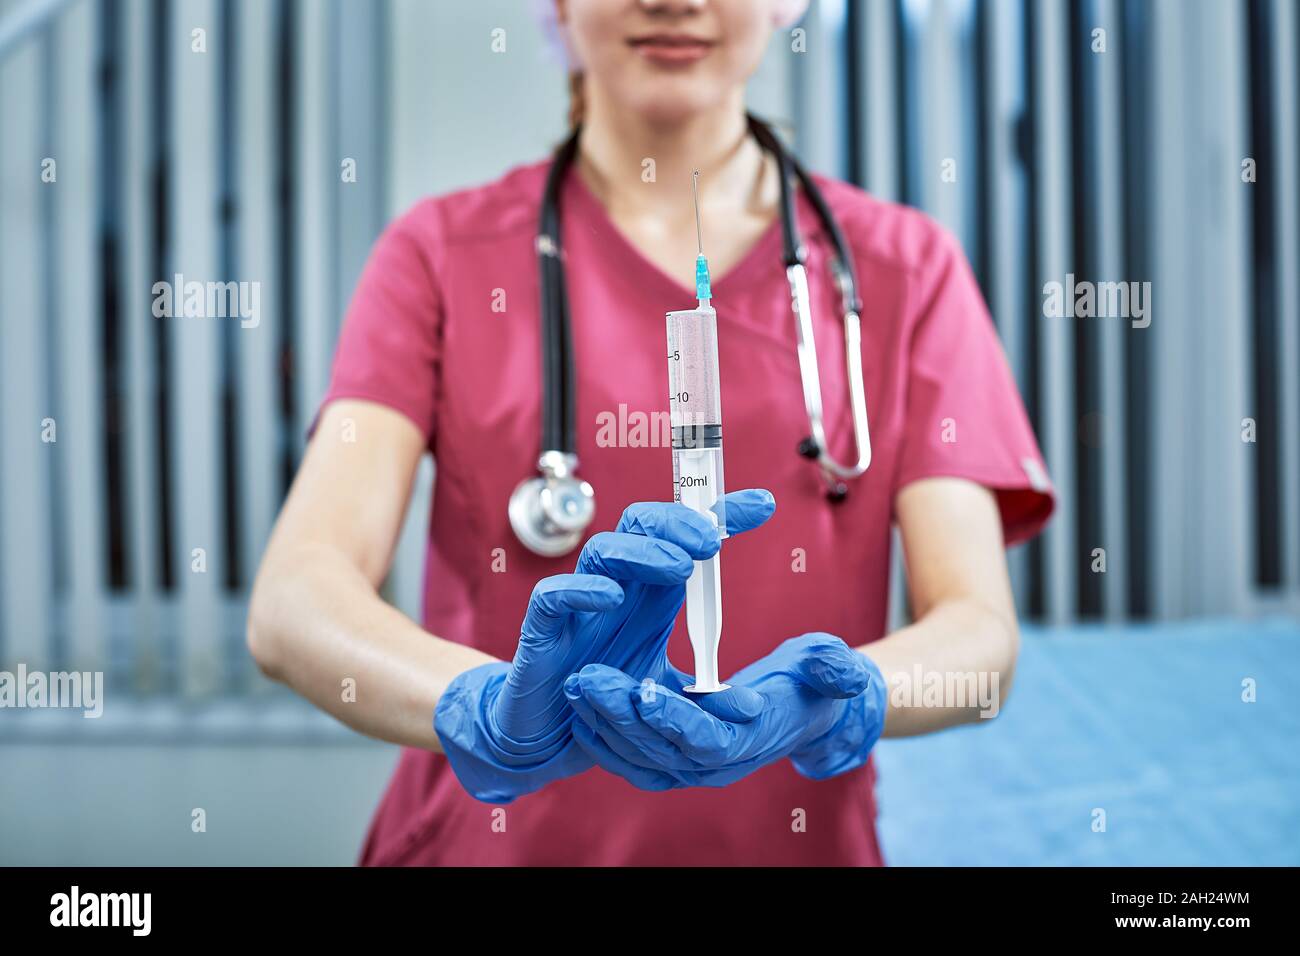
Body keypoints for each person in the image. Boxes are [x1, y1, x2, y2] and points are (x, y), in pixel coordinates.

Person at [246, 0, 1054, 866]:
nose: (675, 0)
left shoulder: (903, 268)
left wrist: (840, 698)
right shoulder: (439, 255)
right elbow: (295, 598)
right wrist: (477, 705)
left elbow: (979, 634)